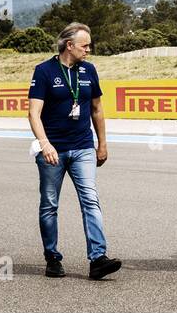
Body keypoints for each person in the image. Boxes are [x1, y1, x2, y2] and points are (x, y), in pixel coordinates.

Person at [28, 22, 122, 280]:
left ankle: (98, 259)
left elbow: (97, 109)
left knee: (90, 199)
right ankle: (52, 257)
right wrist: (45, 144)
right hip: (53, 150)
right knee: (49, 204)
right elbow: (33, 113)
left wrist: (102, 143)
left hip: (83, 147)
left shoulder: (89, 70)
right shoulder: (44, 71)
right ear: (69, 45)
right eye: (85, 45)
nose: (89, 50)